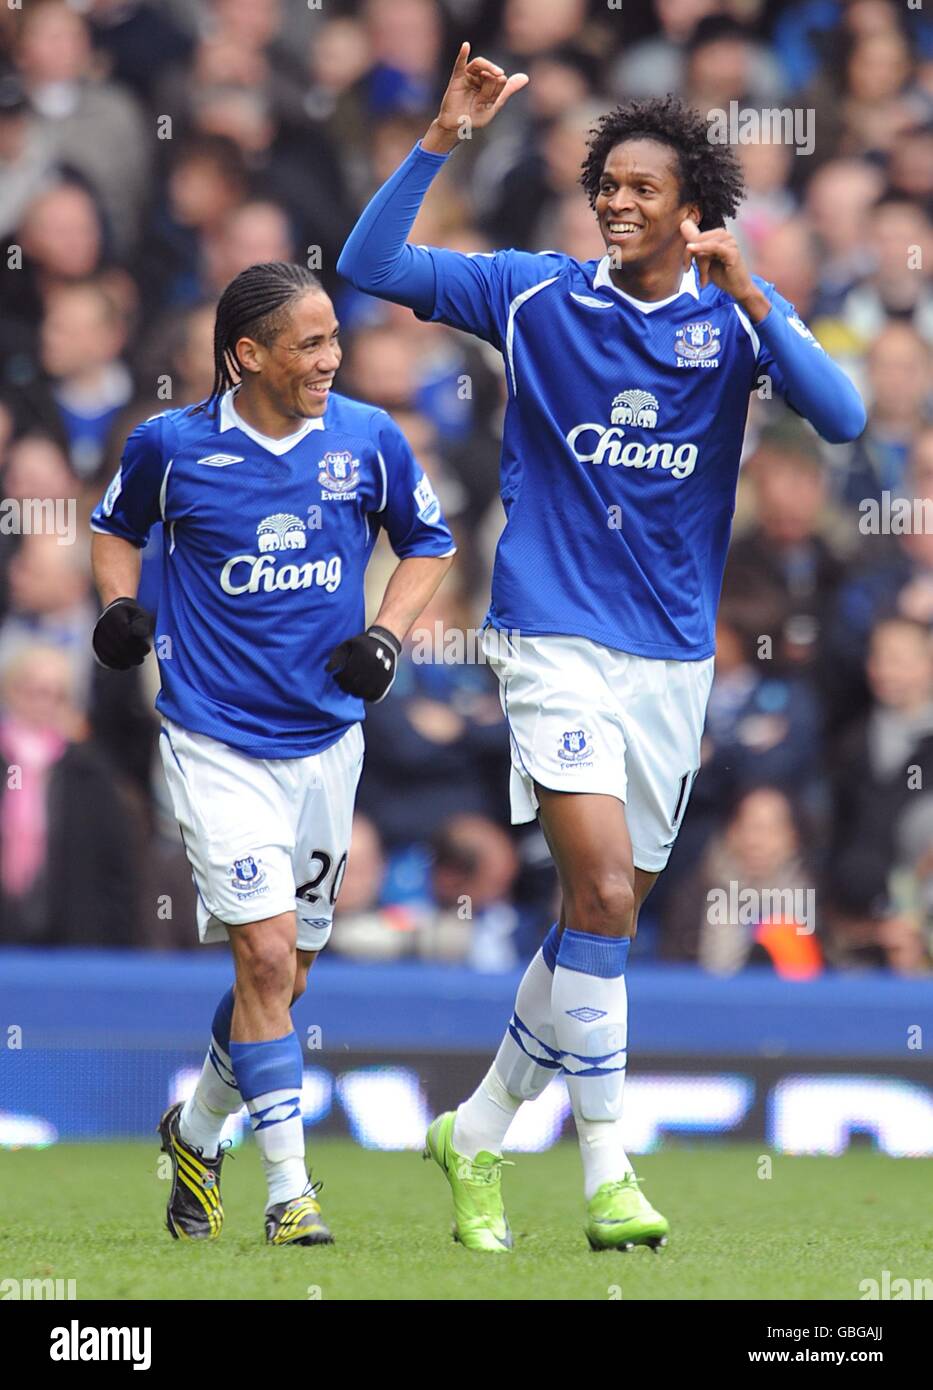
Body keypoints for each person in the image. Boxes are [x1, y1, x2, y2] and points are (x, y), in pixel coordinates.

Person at [337, 43, 866, 1253]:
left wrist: (761, 300)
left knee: (596, 917)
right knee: (608, 889)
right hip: (551, 637)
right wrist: (444, 139)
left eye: (642, 188)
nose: (617, 202)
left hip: (673, 661)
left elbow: (841, 419)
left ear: (694, 208)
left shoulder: (730, 327)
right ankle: (609, 1175)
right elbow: (368, 265)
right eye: (606, 184)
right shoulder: (534, 294)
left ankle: (474, 1130)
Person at [89, 261, 455, 1246]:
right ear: (246, 354)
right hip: (215, 740)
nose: (331, 359)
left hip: (328, 741)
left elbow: (429, 544)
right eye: (309, 343)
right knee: (261, 952)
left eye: (335, 338)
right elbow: (114, 529)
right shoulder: (171, 447)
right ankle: (291, 1193)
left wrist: (385, 636)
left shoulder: (368, 440)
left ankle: (197, 1133)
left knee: (284, 981)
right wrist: (120, 609)